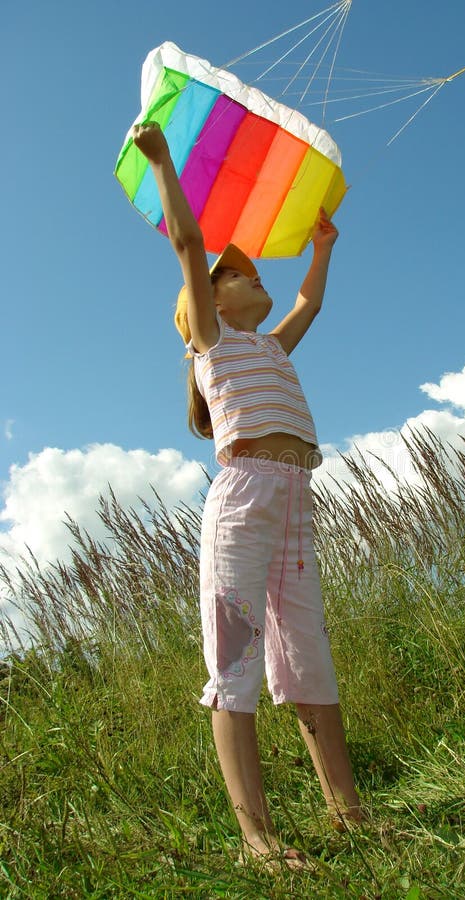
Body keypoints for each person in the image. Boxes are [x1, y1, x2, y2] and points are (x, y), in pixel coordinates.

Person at [132, 121, 363, 868]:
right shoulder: (214, 343)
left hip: (296, 498)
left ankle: (347, 811)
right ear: (208, 304)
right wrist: (165, 163)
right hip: (243, 501)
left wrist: (322, 248)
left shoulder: (267, 343)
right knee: (234, 664)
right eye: (237, 272)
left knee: (307, 656)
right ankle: (257, 839)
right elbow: (189, 247)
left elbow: (311, 305)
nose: (249, 270)